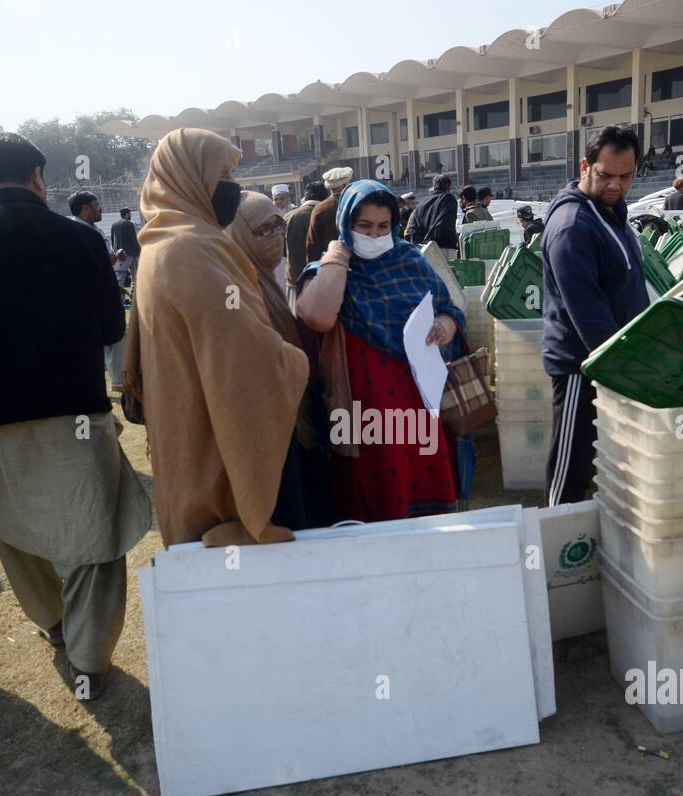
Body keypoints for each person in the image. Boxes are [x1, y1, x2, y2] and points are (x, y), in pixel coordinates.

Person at [0, 132, 152, 701]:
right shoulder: (77, 238)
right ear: (39, 177)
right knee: (95, 538)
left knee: (15, 532)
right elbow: (109, 328)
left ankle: (52, 623)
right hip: (76, 416)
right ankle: (90, 653)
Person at [123, 127, 308, 548]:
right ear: (189, 175)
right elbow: (241, 352)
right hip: (219, 452)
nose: (232, 186)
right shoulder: (192, 247)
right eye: (222, 173)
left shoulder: (160, 241)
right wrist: (295, 360)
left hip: (191, 429)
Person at [296, 179, 470, 522]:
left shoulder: (410, 261)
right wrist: (339, 253)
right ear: (346, 222)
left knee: (421, 476)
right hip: (361, 408)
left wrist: (445, 326)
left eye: (383, 226)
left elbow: (450, 309)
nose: (374, 235)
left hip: (417, 398)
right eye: (364, 226)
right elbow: (317, 316)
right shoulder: (329, 270)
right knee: (371, 482)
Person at [541, 125, 649, 506]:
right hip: (581, 366)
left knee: (605, 464)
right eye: (605, 175)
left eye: (626, 176)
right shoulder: (572, 227)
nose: (616, 186)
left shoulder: (611, 210)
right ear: (585, 166)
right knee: (571, 468)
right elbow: (588, 314)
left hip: (616, 360)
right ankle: (555, 545)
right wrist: (627, 372)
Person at [226, 190, 333, 526]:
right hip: (266, 422)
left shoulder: (264, 277)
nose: (274, 237)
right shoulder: (235, 282)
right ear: (238, 233)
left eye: (278, 227)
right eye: (262, 230)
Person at [70, 191, 130, 390]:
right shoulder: (79, 231)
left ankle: (114, 377)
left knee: (108, 337)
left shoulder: (92, 229)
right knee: (114, 335)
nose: (101, 208)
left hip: (101, 290)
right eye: (96, 204)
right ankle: (118, 381)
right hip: (97, 293)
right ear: (86, 208)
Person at [285, 180, 329, 308]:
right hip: (321, 280)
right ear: (324, 196)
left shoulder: (289, 216)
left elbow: (282, 251)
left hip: (294, 280)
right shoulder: (328, 214)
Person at [306, 166, 353, 265]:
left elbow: (312, 244)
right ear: (346, 183)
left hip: (328, 264)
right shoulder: (357, 203)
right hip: (355, 263)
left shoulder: (320, 209)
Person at [404, 173, 459, 258]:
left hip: (423, 250)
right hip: (444, 247)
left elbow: (412, 229)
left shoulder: (421, 203)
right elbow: (446, 224)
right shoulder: (448, 199)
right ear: (448, 187)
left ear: (434, 186)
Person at [110, 206, 140, 284]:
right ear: (127, 214)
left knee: (120, 276)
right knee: (135, 277)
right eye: (130, 213)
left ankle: (120, 294)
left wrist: (115, 252)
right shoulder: (129, 224)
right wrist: (139, 252)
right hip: (130, 253)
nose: (130, 215)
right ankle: (135, 294)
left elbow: (112, 240)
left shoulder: (114, 224)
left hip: (119, 254)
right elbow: (133, 240)